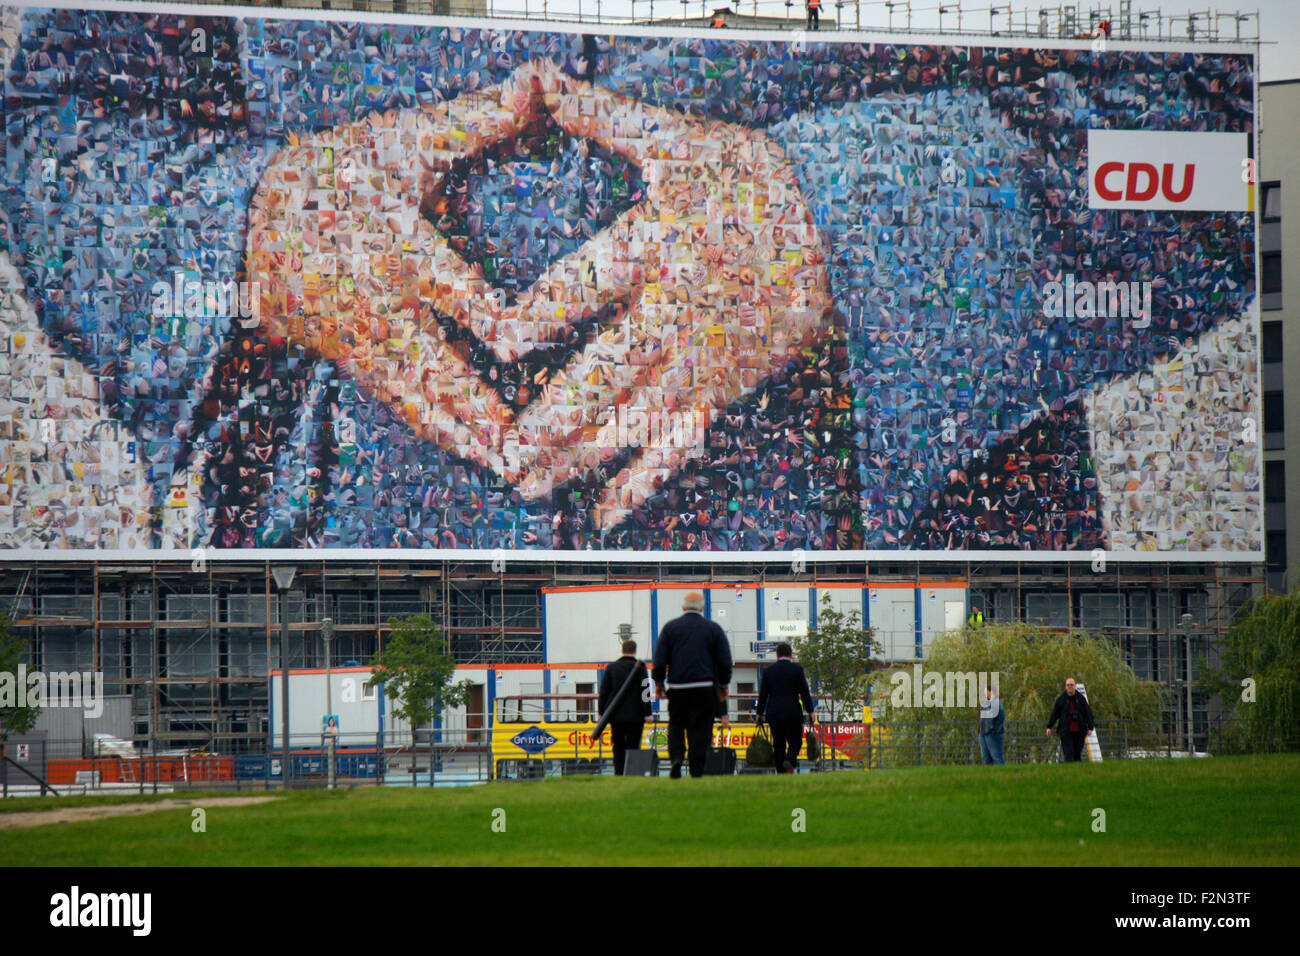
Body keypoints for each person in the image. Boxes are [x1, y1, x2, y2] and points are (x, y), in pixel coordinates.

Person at [653, 591, 733, 778]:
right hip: (704, 687)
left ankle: (676, 759)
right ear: (702, 609)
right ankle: (697, 769)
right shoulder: (713, 629)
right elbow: (724, 661)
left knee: (676, 725)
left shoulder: (670, 628)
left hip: (678, 687)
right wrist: (723, 684)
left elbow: (659, 660)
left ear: (683, 608)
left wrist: (659, 682)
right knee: (701, 729)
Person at [755, 643, 815, 773]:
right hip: (793, 712)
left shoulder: (769, 671)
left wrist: (759, 713)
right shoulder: (797, 670)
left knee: (778, 744)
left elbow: (763, 695)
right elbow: (804, 692)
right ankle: (791, 758)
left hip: (774, 713)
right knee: (796, 741)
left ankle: (781, 772)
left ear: (777, 655)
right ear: (791, 655)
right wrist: (810, 710)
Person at [598, 639, 652, 776]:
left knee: (618, 745)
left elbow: (604, 692)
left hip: (616, 715)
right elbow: (645, 691)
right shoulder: (640, 668)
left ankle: (618, 772)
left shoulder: (611, 668)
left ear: (622, 650)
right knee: (633, 746)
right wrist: (648, 713)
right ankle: (632, 773)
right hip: (636, 715)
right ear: (635, 651)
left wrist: (601, 712)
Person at [1045, 677, 1094, 762]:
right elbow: (1055, 714)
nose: (1070, 687)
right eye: (1068, 685)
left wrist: (1090, 727)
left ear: (1075, 686)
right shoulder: (1061, 700)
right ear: (1065, 686)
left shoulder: (1081, 699)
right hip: (1065, 731)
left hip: (1079, 731)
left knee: (1077, 754)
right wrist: (1049, 727)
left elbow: (1088, 713)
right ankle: (1069, 772)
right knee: (1068, 754)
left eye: (1071, 685)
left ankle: (1077, 772)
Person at [978, 684, 1005, 764]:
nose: (984, 693)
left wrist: (992, 730)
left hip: (992, 734)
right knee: (986, 757)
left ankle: (1002, 774)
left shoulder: (996, 703)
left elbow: (996, 719)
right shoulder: (987, 703)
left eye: (986, 691)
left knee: (996, 757)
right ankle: (989, 775)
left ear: (990, 691)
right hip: (983, 733)